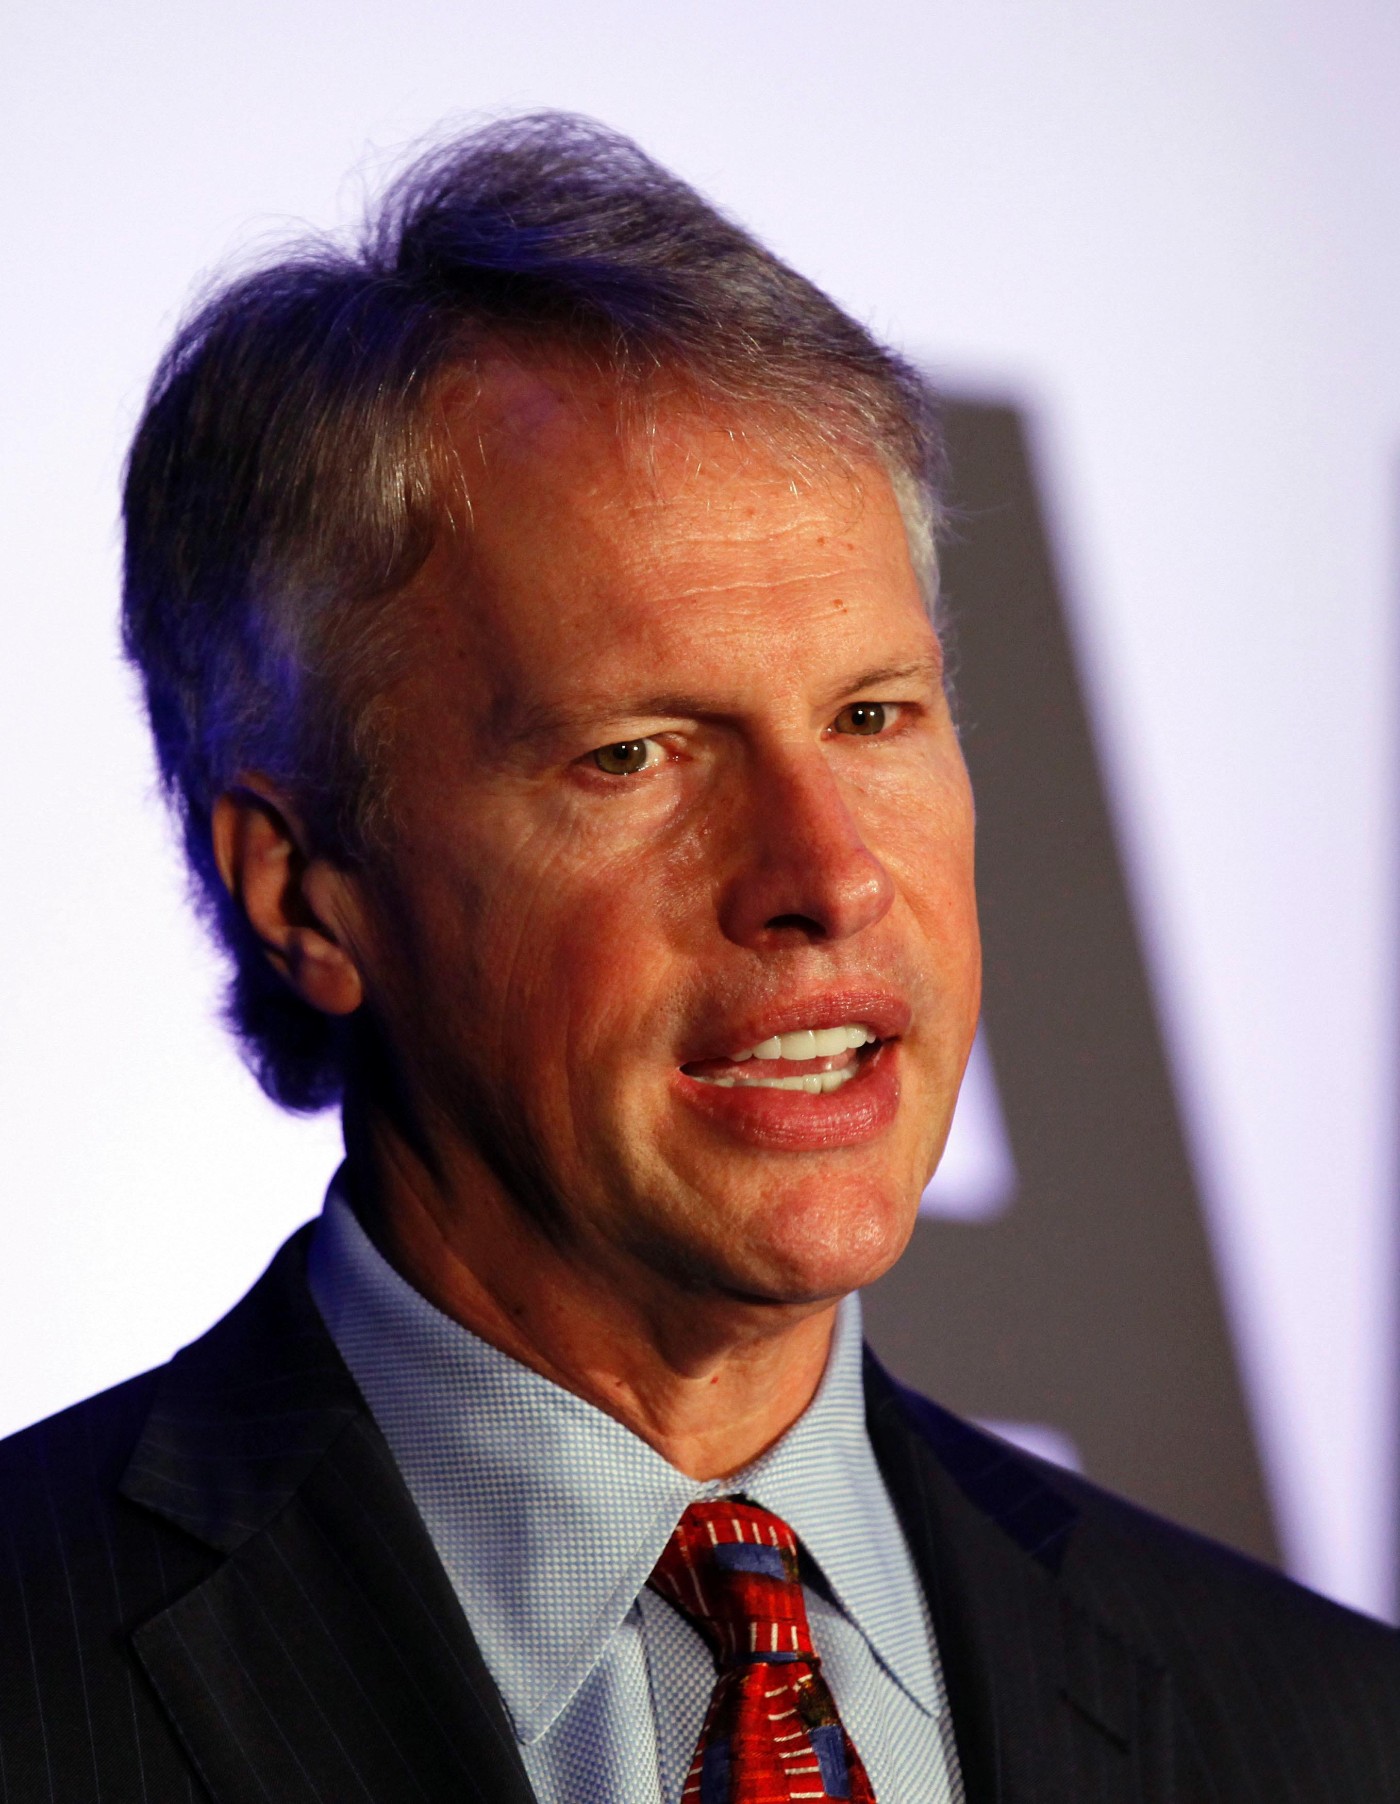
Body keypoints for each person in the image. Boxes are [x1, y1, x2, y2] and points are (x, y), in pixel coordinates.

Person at [1, 113, 1396, 1804]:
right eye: (636, 754)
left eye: (873, 717)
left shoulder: (1316, 1727)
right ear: (306, 892)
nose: (827, 876)